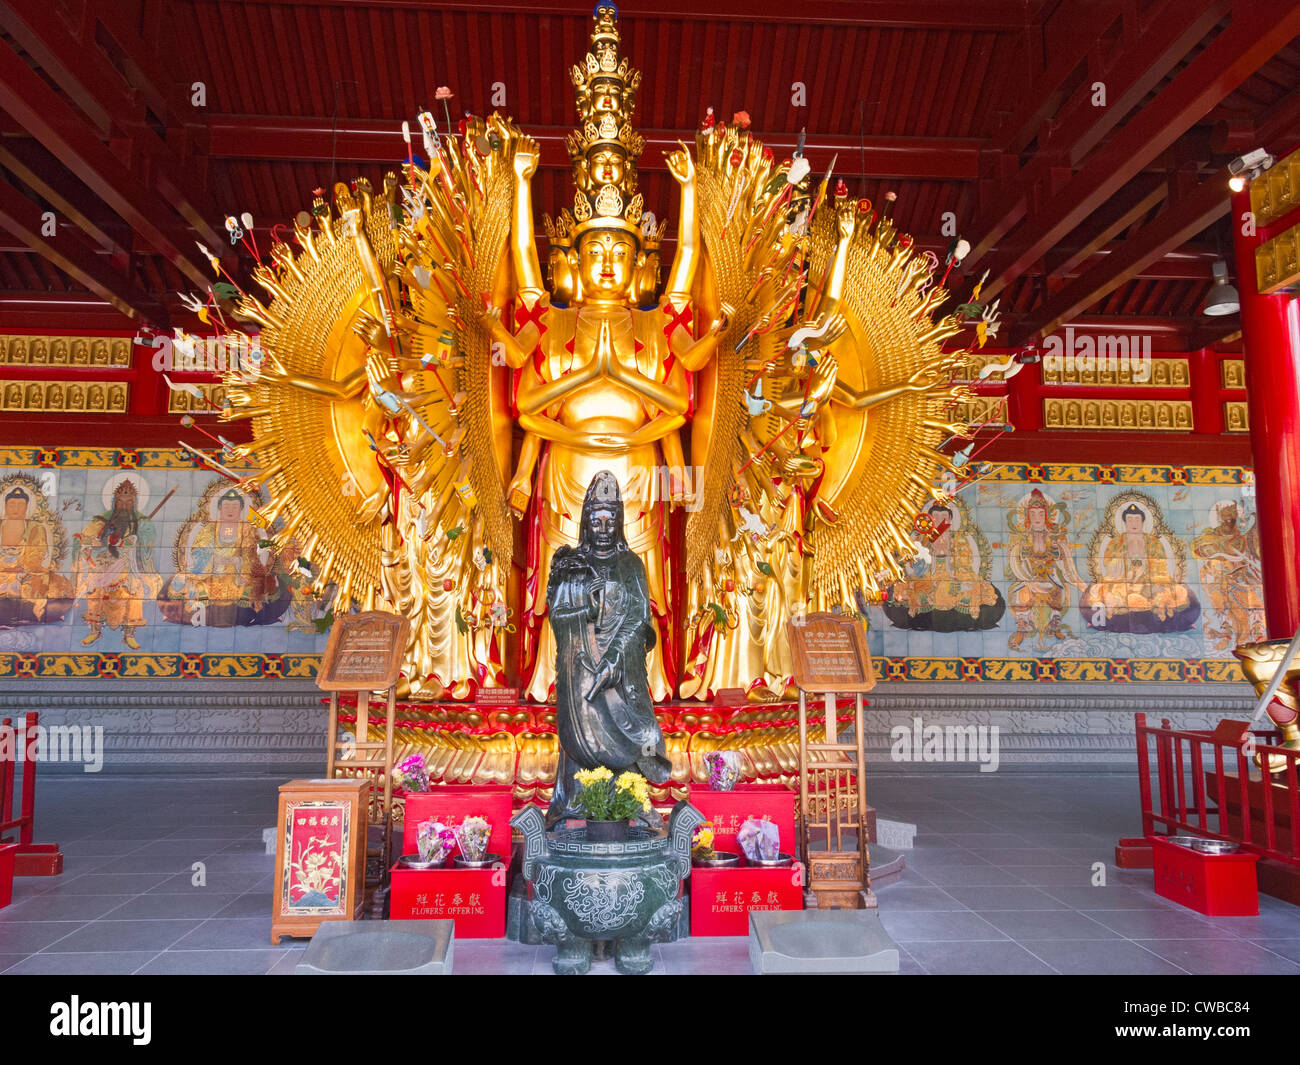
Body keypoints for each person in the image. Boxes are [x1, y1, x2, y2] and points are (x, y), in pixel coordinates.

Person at [545, 471, 669, 827]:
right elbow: (556, 616)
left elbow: (640, 621)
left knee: (640, 733)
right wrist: (585, 602)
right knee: (580, 735)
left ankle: (631, 797)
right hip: (580, 670)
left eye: (609, 519)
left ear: (619, 522)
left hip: (622, 672)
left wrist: (616, 656)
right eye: (595, 519)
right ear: (585, 521)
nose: (602, 527)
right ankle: (577, 802)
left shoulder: (632, 565)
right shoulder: (571, 564)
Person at [72, 477, 162, 648]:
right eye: (120, 501)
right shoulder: (101, 520)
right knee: (94, 589)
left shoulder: (141, 522)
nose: (124, 505)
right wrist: (93, 543)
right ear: (114, 502)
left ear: (134, 503)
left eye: (129, 502)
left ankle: (129, 634)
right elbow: (84, 540)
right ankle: (94, 631)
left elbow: (144, 544)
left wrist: (142, 533)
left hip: (126, 567)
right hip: (102, 565)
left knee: (135, 590)